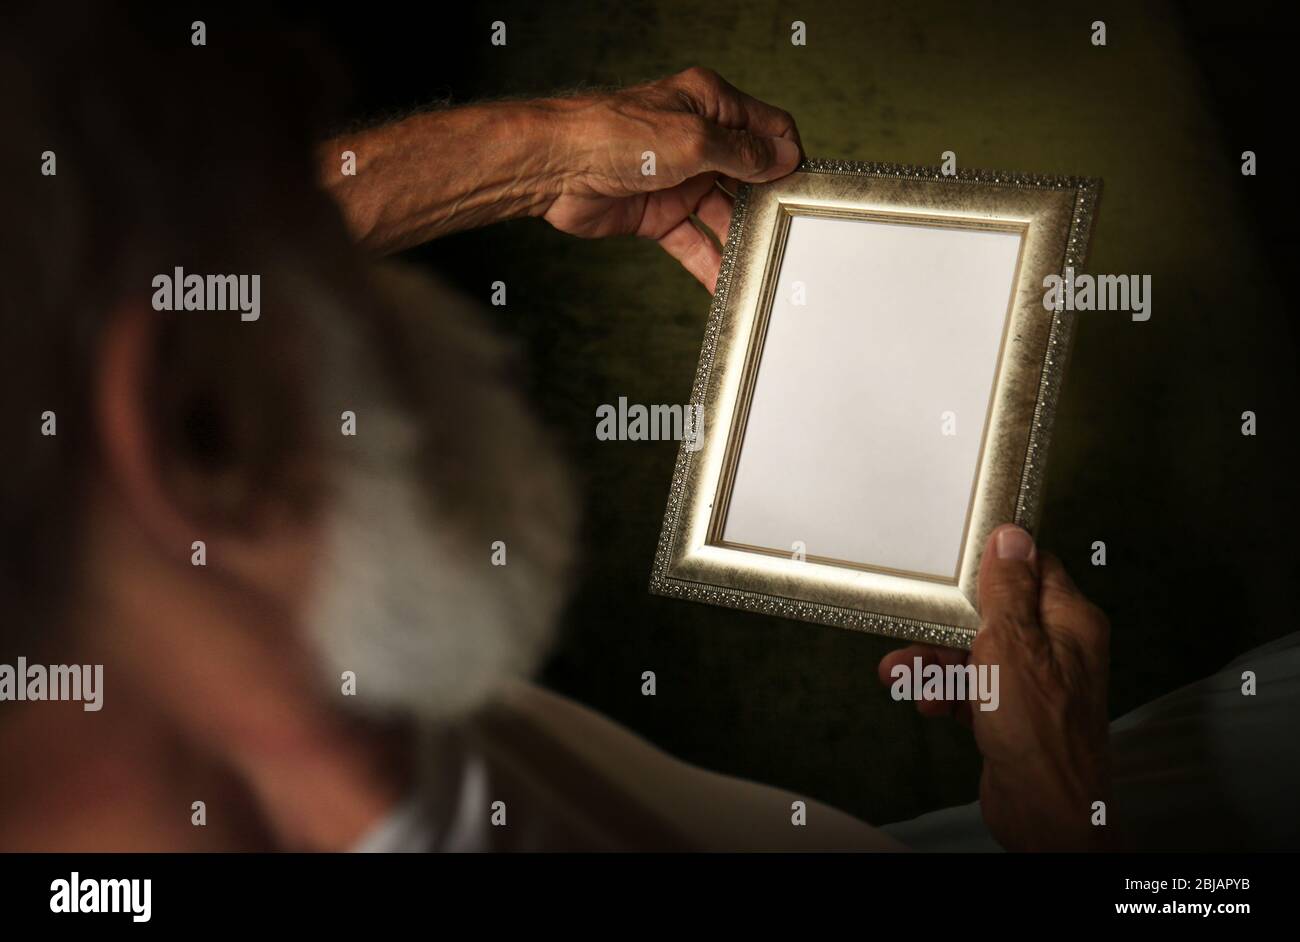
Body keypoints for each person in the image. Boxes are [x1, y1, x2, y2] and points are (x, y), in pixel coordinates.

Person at [10, 9, 1289, 854]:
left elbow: (122, 302)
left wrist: (524, 153)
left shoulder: (160, 647)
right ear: (175, 436)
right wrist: (1061, 812)